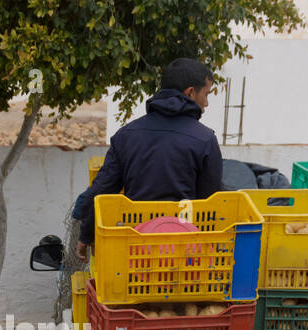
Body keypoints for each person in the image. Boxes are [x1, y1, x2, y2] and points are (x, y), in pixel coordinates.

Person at [76, 58, 224, 259]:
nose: (206, 103)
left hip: (135, 250)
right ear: (190, 93)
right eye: (206, 94)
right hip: (187, 254)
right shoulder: (205, 139)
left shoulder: (126, 135)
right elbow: (211, 203)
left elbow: (102, 191)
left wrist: (86, 235)